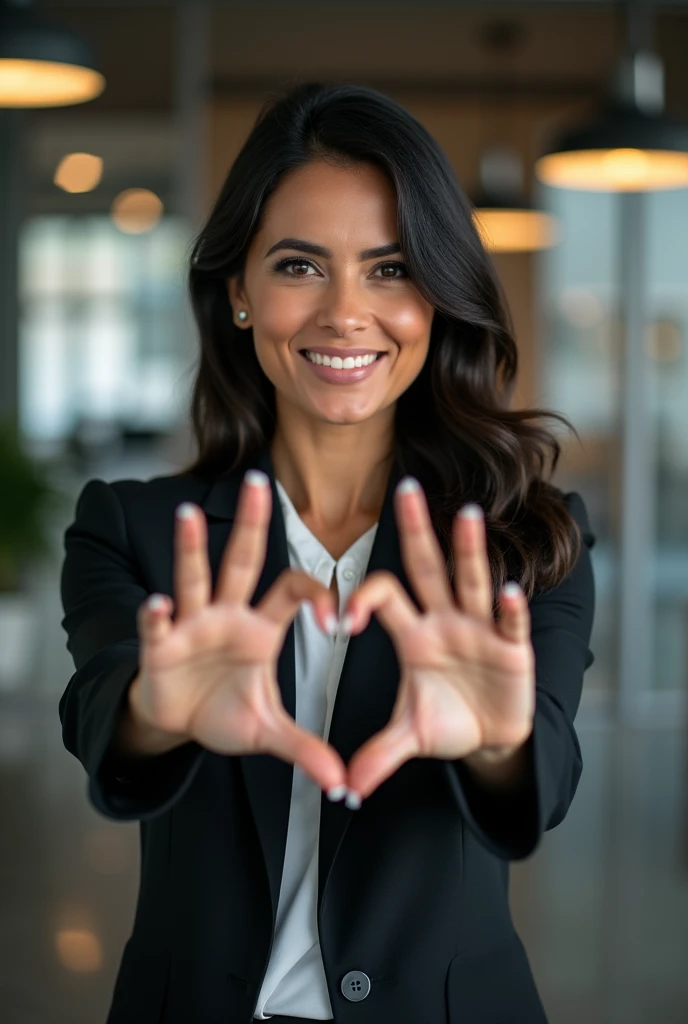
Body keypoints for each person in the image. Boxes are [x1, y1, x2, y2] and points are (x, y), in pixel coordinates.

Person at [59, 81, 596, 1024]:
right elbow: (102, 724)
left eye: (390, 270)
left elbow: (540, 783)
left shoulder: (523, 534)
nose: (346, 313)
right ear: (237, 291)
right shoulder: (136, 528)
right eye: (300, 266)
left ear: (438, 296)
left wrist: (497, 739)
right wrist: (156, 710)